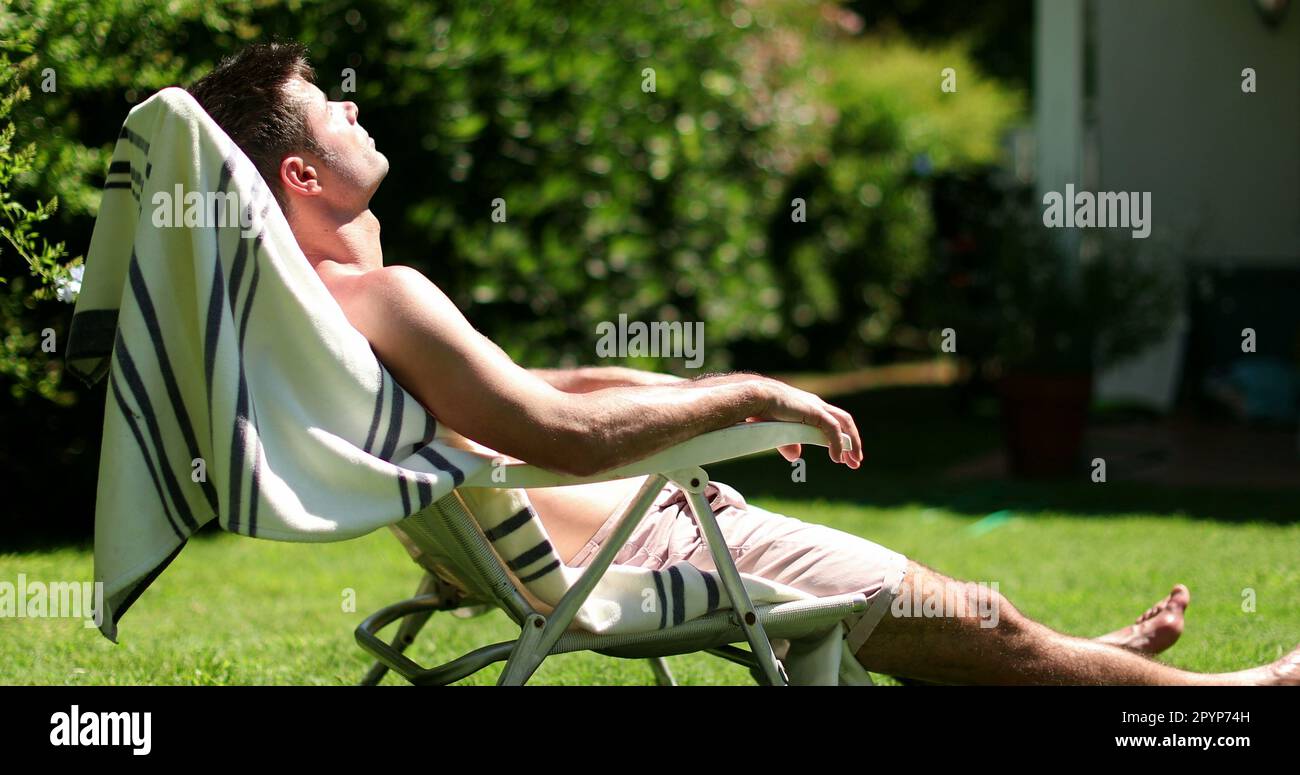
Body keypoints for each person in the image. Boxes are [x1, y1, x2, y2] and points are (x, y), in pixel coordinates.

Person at [186, 43, 1299, 685]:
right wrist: (753, 396)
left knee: (973, 626)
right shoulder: (384, 296)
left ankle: (1082, 663)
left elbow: (519, 401)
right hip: (657, 545)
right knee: (986, 619)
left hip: (628, 529)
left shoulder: (333, 310)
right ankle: (1220, 700)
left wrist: (652, 391)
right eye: (324, 108)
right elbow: (556, 436)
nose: (350, 104)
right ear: (299, 174)